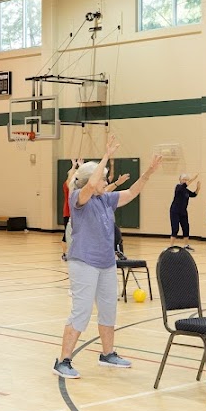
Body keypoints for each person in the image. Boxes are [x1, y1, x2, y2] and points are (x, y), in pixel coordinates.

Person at [54, 136, 162, 379]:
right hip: (83, 262)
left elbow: (132, 192)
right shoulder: (78, 199)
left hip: (106, 263)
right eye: (102, 177)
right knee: (81, 312)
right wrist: (105, 156)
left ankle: (107, 354)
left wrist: (148, 173)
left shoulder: (106, 199)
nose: (105, 181)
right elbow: (90, 185)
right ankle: (63, 361)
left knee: (108, 309)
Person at [169, 173, 199, 244]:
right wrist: (193, 179)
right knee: (175, 228)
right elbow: (185, 184)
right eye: (183, 179)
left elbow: (194, 194)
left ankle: (186, 245)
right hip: (175, 211)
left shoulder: (186, 190)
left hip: (183, 211)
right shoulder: (178, 187)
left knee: (186, 228)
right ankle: (171, 246)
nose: (185, 181)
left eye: (186, 179)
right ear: (180, 180)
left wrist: (198, 188)